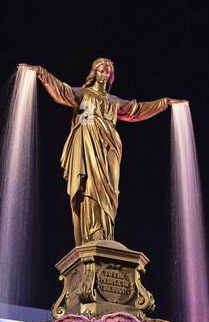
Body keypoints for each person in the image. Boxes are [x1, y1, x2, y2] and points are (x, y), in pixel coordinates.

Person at [22, 59, 182, 245]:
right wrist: (41, 72)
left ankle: (107, 234)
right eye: (100, 71)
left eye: (108, 72)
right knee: (91, 185)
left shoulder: (113, 101)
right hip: (88, 140)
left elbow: (137, 110)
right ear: (94, 73)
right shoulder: (84, 94)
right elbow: (61, 91)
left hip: (111, 144)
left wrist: (165, 102)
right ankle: (94, 232)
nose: (104, 75)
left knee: (111, 188)